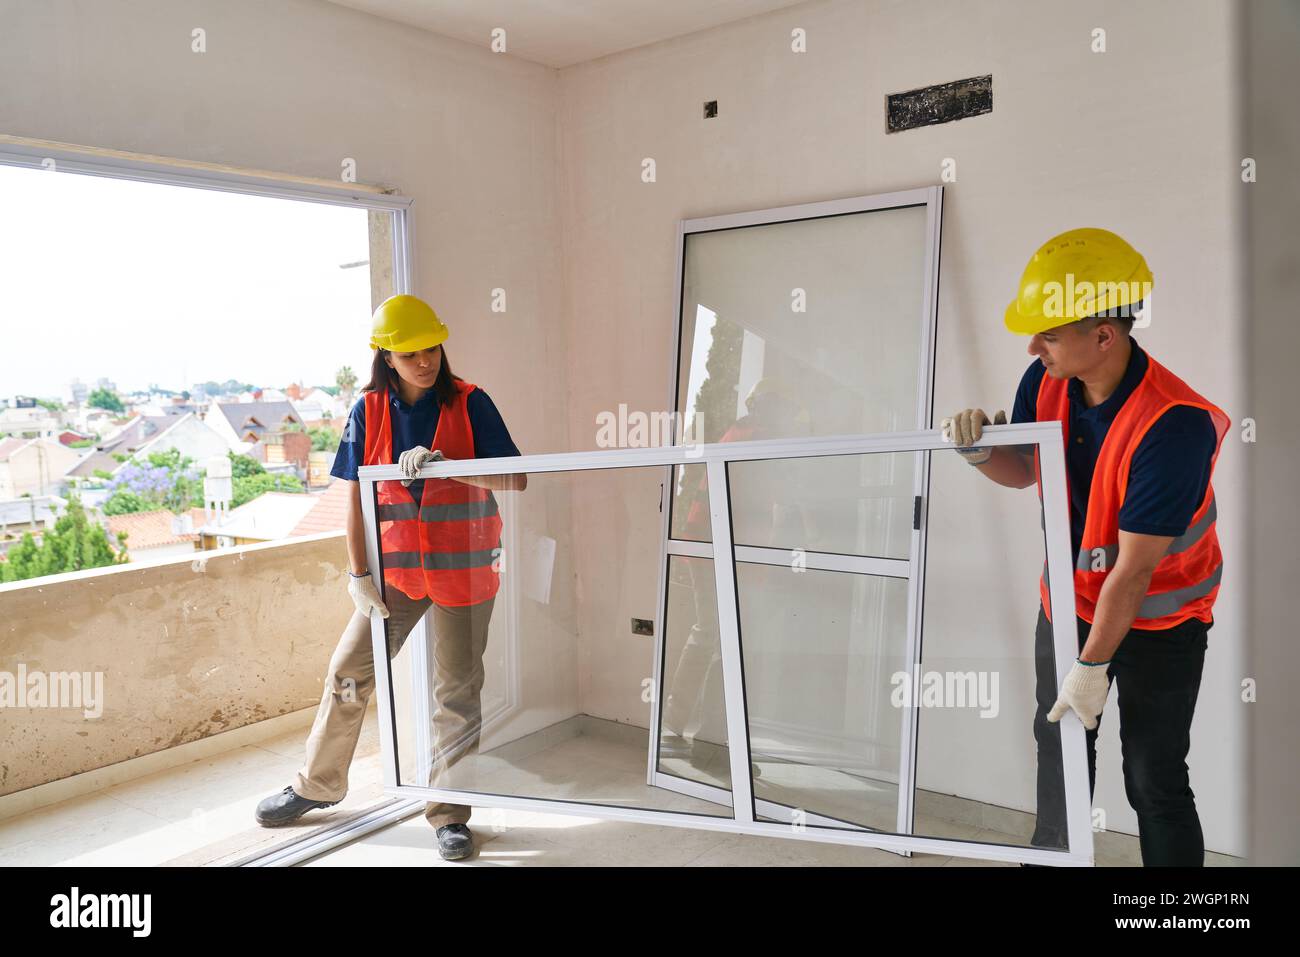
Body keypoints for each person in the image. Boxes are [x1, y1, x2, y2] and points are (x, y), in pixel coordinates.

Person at [941, 227, 1228, 866]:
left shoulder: (1174, 424)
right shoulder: (1044, 380)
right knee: (1060, 751)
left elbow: (1133, 571)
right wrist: (980, 449)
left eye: (1048, 331)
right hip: (1068, 603)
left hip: (1161, 617)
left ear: (1104, 335)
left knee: (1153, 774)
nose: (1031, 344)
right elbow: (1024, 472)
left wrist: (1092, 668)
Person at [254, 294, 526, 861]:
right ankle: (317, 785)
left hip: (465, 571)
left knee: (456, 692)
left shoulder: (472, 403)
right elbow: (355, 497)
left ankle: (449, 813)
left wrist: (456, 468)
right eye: (410, 353)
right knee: (348, 672)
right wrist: (357, 573)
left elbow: (518, 479)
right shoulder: (369, 409)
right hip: (396, 575)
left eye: (431, 348)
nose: (425, 360)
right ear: (387, 356)